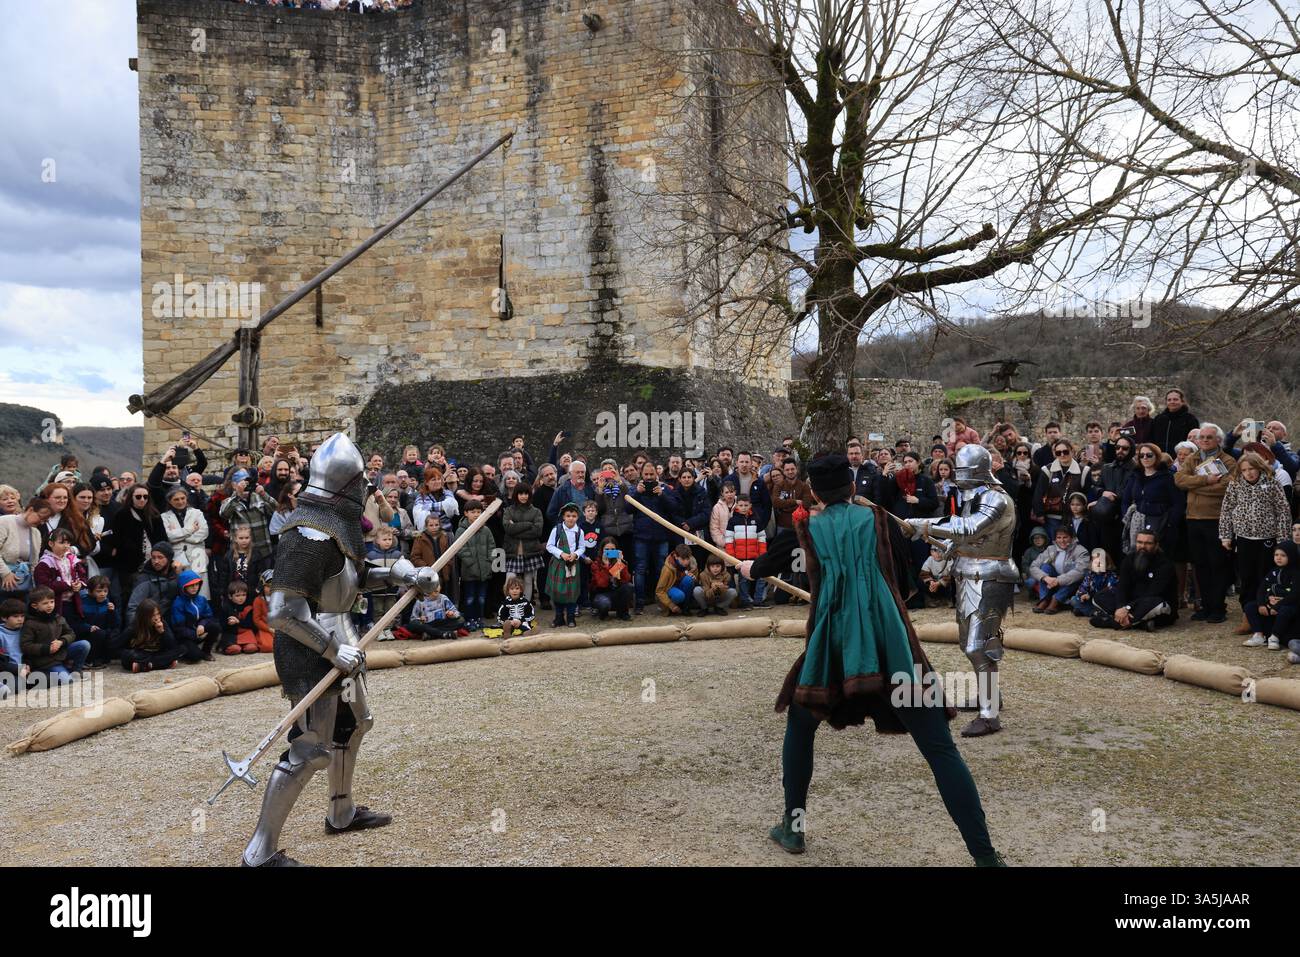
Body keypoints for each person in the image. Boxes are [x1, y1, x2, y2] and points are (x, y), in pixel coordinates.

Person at [738, 452, 1002, 865]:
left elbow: (766, 567)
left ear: (815, 491)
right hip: (892, 645)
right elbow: (907, 584)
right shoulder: (881, 521)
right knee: (940, 748)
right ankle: (985, 857)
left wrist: (748, 568)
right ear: (851, 485)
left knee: (801, 723)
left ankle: (793, 825)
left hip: (833, 648)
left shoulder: (804, 528)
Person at [903, 444, 1018, 737]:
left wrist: (920, 523)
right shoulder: (974, 498)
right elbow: (960, 540)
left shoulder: (997, 499)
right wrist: (927, 534)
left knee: (979, 646)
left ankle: (989, 715)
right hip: (967, 574)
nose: (959, 477)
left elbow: (969, 529)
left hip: (991, 576)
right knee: (968, 642)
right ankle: (991, 696)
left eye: (963, 471)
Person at [1219, 450, 1291, 629]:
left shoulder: (1273, 483)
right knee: (1246, 576)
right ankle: (1248, 615)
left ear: (1259, 467)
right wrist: (1226, 535)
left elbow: (1283, 511)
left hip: (1267, 538)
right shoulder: (1235, 485)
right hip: (1244, 538)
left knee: (1264, 576)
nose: (1248, 473)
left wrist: (1283, 539)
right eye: (1244, 470)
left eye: (1251, 468)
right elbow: (1226, 510)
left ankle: (1266, 612)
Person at [1175, 424, 1238, 624]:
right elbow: (1179, 480)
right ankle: (1206, 606)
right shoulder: (1192, 459)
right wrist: (1206, 481)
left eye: (1209, 437)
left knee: (1218, 564)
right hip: (1193, 519)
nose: (1204, 440)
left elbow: (1227, 487)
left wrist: (1196, 486)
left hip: (1216, 519)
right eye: (1201, 437)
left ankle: (1218, 607)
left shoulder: (1228, 460)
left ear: (1218, 440)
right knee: (1200, 564)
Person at [1090, 529, 1179, 631]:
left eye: (1148, 543)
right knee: (1100, 596)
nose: (1142, 546)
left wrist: (1127, 608)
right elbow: (1123, 586)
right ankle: (1140, 623)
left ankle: (1112, 622)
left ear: (1156, 545)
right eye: (1140, 542)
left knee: (1156, 603)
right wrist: (1121, 606)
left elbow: (1153, 593)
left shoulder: (1165, 565)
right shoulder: (1129, 559)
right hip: (1132, 603)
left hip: (1153, 602)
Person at [20, 586, 90, 684]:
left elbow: (71, 633)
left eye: (52, 602)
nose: (50, 605)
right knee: (67, 681)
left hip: (61, 652)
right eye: (45, 603)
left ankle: (76, 671)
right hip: (45, 661)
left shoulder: (57, 617)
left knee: (84, 644)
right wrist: (46, 648)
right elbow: (26, 646)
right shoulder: (29, 623)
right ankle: (41, 673)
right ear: (34, 606)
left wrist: (61, 641)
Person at [1242, 541, 1299, 649]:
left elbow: (1295, 594)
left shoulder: (1296, 573)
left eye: (1283, 555)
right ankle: (1259, 635)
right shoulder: (1273, 571)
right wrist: (1262, 604)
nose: (1279, 558)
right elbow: (1262, 589)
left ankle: (1274, 637)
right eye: (1276, 555)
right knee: (1250, 606)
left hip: (1287, 604)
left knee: (1285, 610)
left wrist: (1278, 605)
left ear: (1291, 556)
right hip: (1270, 603)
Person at [161, 484, 210, 597]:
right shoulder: (164, 517)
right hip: (178, 557)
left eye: (182, 498)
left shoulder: (197, 513)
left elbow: (203, 533)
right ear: (170, 501)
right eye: (176, 499)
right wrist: (191, 529)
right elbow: (169, 536)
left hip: (197, 555)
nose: (180, 501)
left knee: (201, 590)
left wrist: (179, 534)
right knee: (182, 589)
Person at [1028, 526, 1090, 614]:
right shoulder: (1050, 549)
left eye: (1065, 537)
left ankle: (1056, 600)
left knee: (1076, 574)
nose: (1062, 540)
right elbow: (1033, 566)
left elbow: (1080, 571)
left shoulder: (1081, 551)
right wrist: (1045, 578)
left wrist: (1058, 580)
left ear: (1072, 538)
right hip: (1052, 583)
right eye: (1059, 537)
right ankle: (1044, 599)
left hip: (1070, 585)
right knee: (1045, 567)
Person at [454, 499, 493, 631]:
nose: (476, 514)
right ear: (466, 513)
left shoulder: (486, 530)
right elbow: (460, 549)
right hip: (469, 572)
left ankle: (479, 619)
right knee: (470, 598)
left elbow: (492, 547)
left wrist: (488, 562)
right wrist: (471, 564)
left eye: (479, 511)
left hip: (484, 571)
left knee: (481, 598)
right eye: (473, 512)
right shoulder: (461, 530)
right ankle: (470, 619)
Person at [545, 502, 586, 627]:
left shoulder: (579, 531)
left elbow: (582, 547)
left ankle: (571, 617)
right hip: (558, 565)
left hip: (573, 565)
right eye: (568, 516)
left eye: (573, 516)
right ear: (563, 517)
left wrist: (576, 554)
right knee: (558, 592)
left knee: (571, 593)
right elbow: (549, 546)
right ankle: (558, 617)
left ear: (577, 517)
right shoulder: (556, 530)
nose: (571, 518)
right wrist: (561, 553)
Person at [33, 528, 87, 619]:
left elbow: (83, 576)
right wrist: (68, 585)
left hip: (73, 601)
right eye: (62, 543)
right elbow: (43, 585)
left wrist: (80, 584)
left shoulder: (72, 559)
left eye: (68, 543)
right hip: (54, 605)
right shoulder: (45, 563)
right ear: (51, 544)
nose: (66, 546)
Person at [724, 494, 767, 608]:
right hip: (739, 557)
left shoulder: (756, 519)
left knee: (761, 577)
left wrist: (762, 554)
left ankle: (758, 600)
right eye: (741, 505)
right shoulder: (733, 521)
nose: (743, 507)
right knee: (743, 580)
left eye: (746, 505)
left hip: (755, 556)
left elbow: (762, 537)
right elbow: (728, 539)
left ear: (750, 505)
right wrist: (731, 556)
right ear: (737, 505)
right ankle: (745, 601)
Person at [120, 599, 184, 673]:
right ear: (144, 616)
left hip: (157, 653)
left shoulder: (162, 623)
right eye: (153, 615)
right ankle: (162, 664)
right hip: (140, 654)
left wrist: (162, 632)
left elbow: (172, 646)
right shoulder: (134, 627)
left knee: (181, 649)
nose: (157, 618)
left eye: (158, 614)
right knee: (126, 656)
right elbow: (118, 645)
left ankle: (146, 666)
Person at [170, 569, 223, 659]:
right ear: (183, 587)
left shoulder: (201, 599)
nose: (195, 587)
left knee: (215, 626)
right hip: (185, 637)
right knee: (195, 657)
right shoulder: (178, 603)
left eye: (197, 584)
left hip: (199, 632)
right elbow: (178, 628)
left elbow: (209, 616)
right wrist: (195, 635)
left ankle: (206, 651)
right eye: (191, 585)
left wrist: (202, 624)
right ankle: (183, 650)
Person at [588, 537, 634, 621]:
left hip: (616, 593)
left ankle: (622, 612)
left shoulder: (619, 562)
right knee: (604, 603)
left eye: (613, 549)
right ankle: (602, 612)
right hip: (601, 594)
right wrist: (606, 565)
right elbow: (602, 584)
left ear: (617, 550)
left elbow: (626, 580)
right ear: (602, 550)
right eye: (607, 549)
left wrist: (620, 563)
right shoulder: (596, 564)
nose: (610, 551)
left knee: (629, 586)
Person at [1149, 388, 1199, 456]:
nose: (1172, 402)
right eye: (1169, 400)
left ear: (1182, 401)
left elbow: (1195, 442)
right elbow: (1152, 440)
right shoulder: (1158, 419)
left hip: (1181, 458)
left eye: (1175, 399)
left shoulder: (1190, 419)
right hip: (1160, 458)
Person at [1072, 549, 1119, 617]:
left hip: (1102, 602)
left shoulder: (1111, 575)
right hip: (1090, 601)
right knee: (1073, 599)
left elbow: (1110, 591)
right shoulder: (1090, 574)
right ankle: (1094, 612)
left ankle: (1085, 611)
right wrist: (1083, 594)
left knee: (1079, 607)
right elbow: (1082, 587)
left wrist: (1090, 595)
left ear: (1107, 563)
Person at [655, 543, 698, 616]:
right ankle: (671, 608)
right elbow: (659, 591)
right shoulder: (667, 568)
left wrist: (694, 578)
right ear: (676, 556)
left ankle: (685, 608)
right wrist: (671, 605)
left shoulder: (692, 564)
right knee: (679, 596)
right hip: (671, 590)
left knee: (689, 580)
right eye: (683, 559)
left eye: (687, 559)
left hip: (683, 588)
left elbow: (696, 582)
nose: (686, 562)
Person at [0, 598, 31, 696]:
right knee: (18, 685)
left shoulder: (25, 631)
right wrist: (17, 669)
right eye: (15, 616)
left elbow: (30, 650)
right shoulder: (1, 634)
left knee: (50, 679)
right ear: (4, 618)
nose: (20, 619)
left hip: (24, 670)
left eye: (22, 616)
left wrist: (27, 666)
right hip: (6, 670)